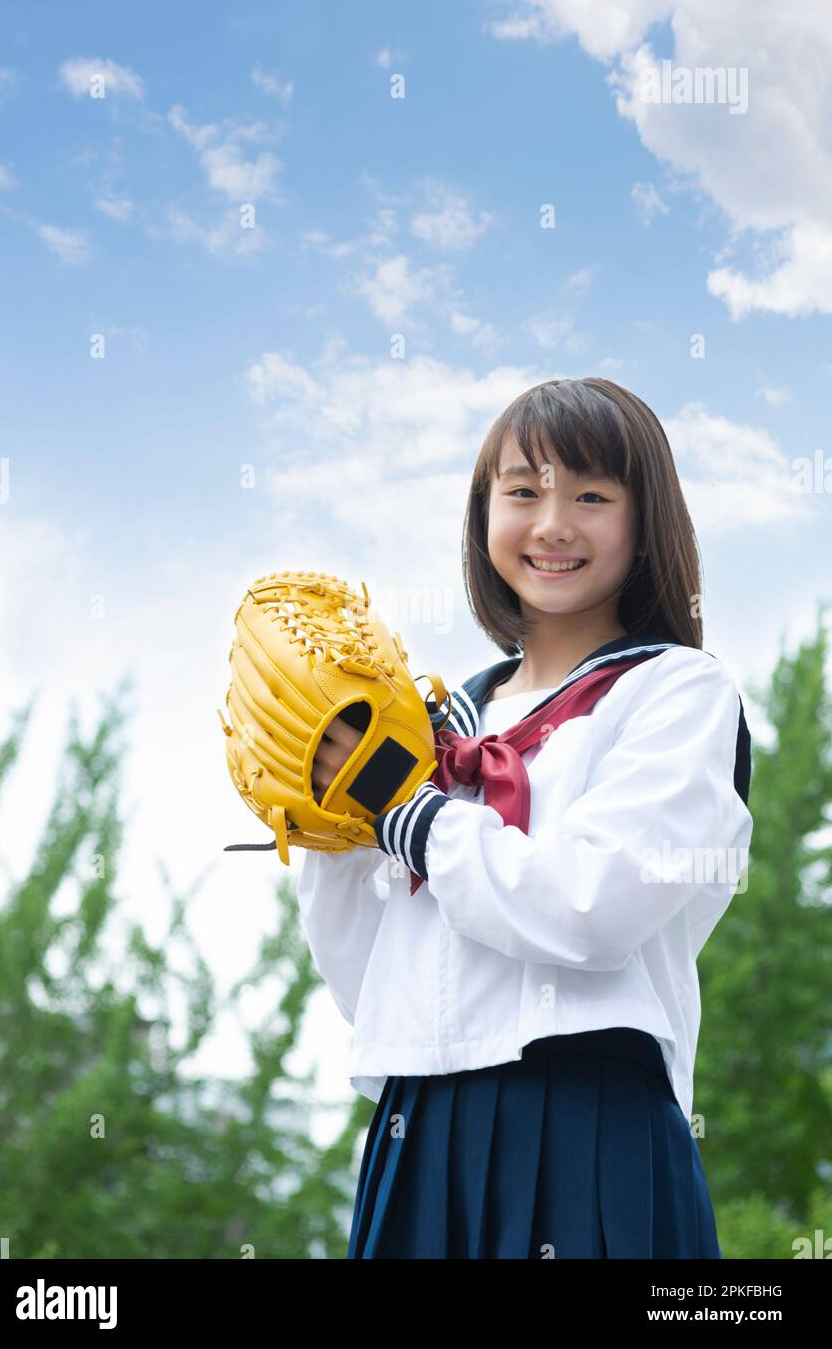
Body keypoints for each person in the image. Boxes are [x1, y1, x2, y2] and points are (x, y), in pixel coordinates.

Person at [298, 377, 753, 1259]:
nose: (552, 523)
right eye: (522, 491)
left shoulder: (680, 691)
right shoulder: (423, 725)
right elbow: (368, 983)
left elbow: (589, 907)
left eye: (591, 494)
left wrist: (402, 806)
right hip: (417, 1124)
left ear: (645, 517)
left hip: (590, 1116)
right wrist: (326, 817)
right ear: (483, 514)